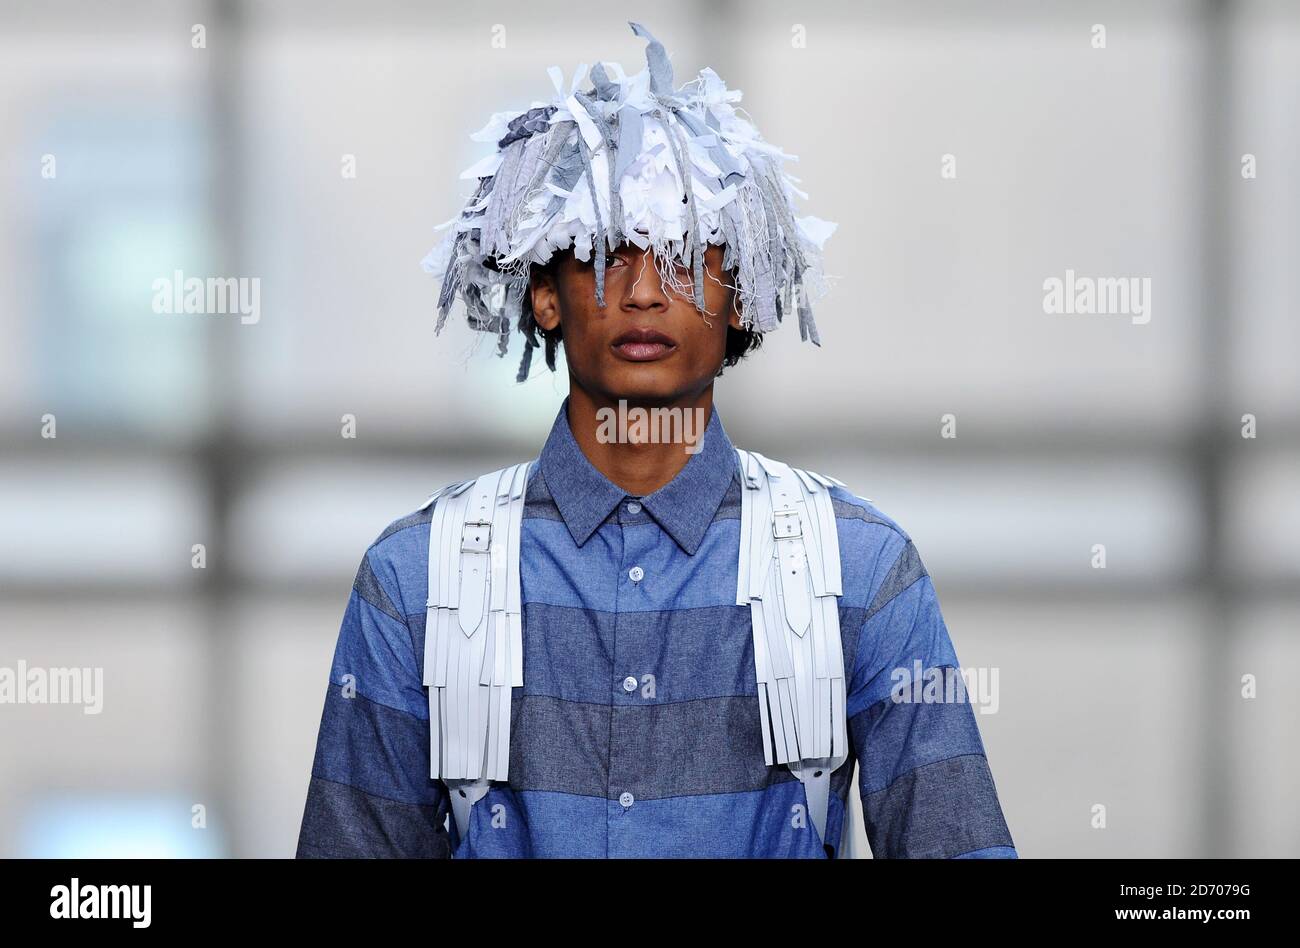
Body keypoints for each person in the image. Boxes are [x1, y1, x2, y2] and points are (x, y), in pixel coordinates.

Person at [295, 21, 1016, 859]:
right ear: (545, 295)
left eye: (681, 251)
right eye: (602, 251)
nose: (641, 291)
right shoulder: (414, 579)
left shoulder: (860, 571)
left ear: (740, 290)